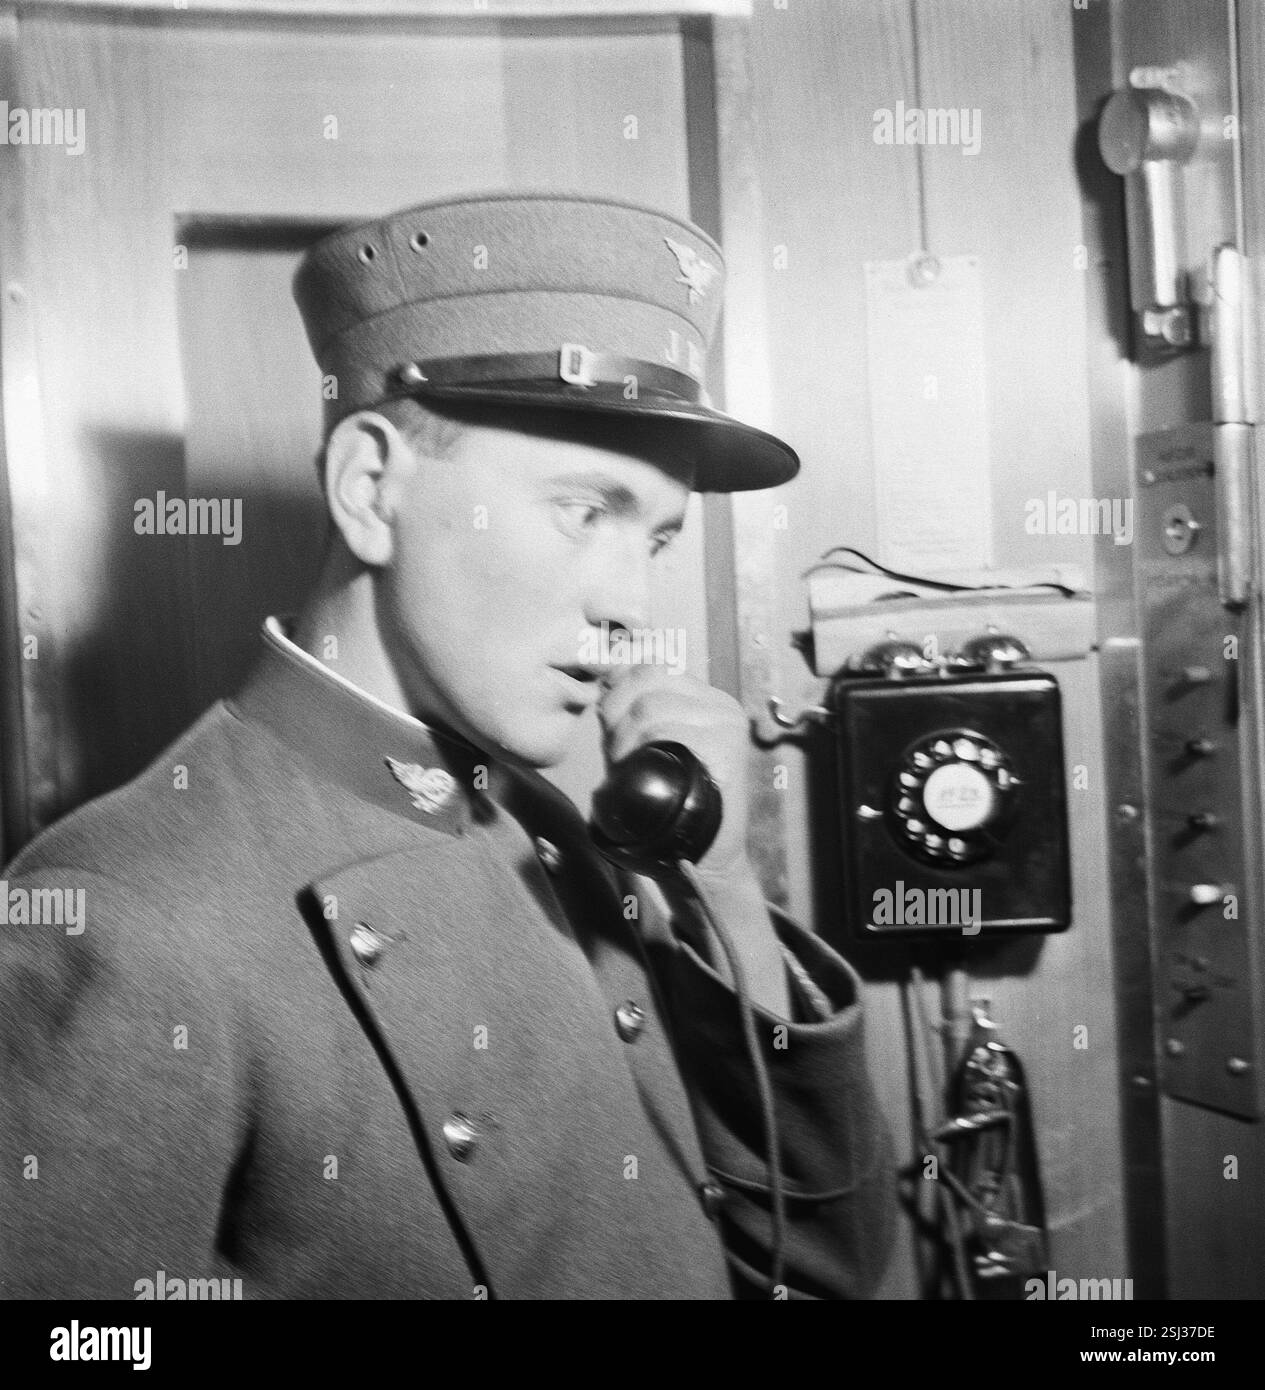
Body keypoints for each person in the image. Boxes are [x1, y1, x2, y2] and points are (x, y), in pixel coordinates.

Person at [0, 193, 894, 1300]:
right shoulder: (127, 914)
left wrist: (727, 890)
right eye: (584, 511)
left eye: (654, 538)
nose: (629, 604)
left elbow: (817, 1268)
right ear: (370, 489)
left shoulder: (561, 833)